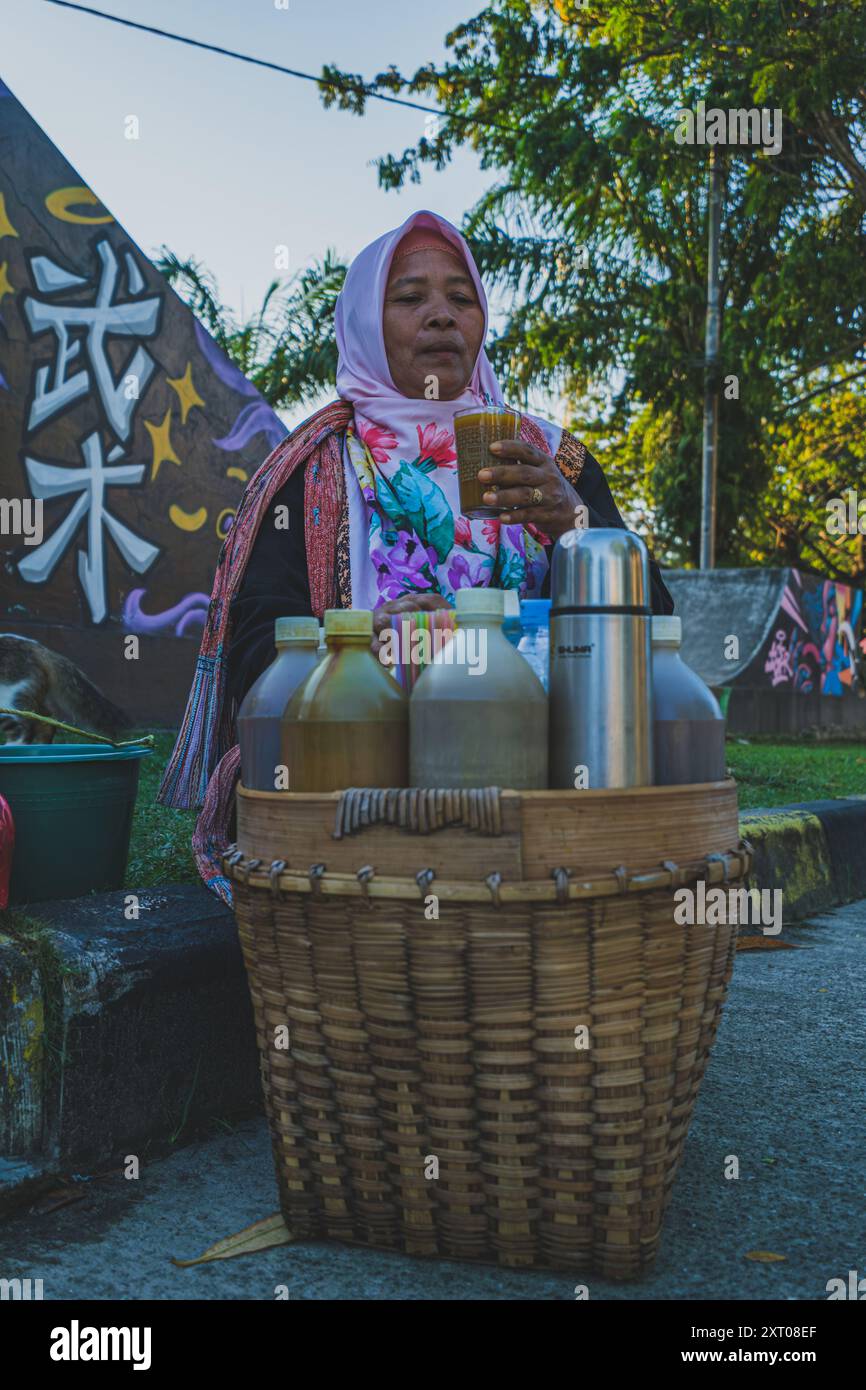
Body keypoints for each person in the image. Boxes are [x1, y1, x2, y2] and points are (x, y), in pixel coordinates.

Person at [159, 209, 673, 899]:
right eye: (409, 298)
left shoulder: (552, 459)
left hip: (540, 775)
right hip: (359, 787)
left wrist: (572, 520)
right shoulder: (309, 469)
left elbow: (653, 632)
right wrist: (364, 650)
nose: (440, 316)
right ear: (366, 324)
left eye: (462, 298)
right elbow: (258, 656)